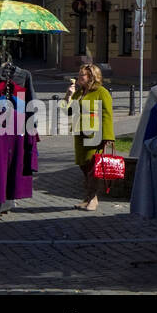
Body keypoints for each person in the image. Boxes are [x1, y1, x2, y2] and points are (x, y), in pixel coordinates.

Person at [64, 64, 114, 211]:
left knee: (92, 167)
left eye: (82, 75)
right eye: (79, 75)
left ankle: (93, 198)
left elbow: (107, 115)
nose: (79, 77)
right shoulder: (79, 92)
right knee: (83, 166)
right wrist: (68, 95)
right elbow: (67, 112)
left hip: (95, 135)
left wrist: (108, 136)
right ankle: (88, 197)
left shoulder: (101, 92)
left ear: (91, 77)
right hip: (80, 134)